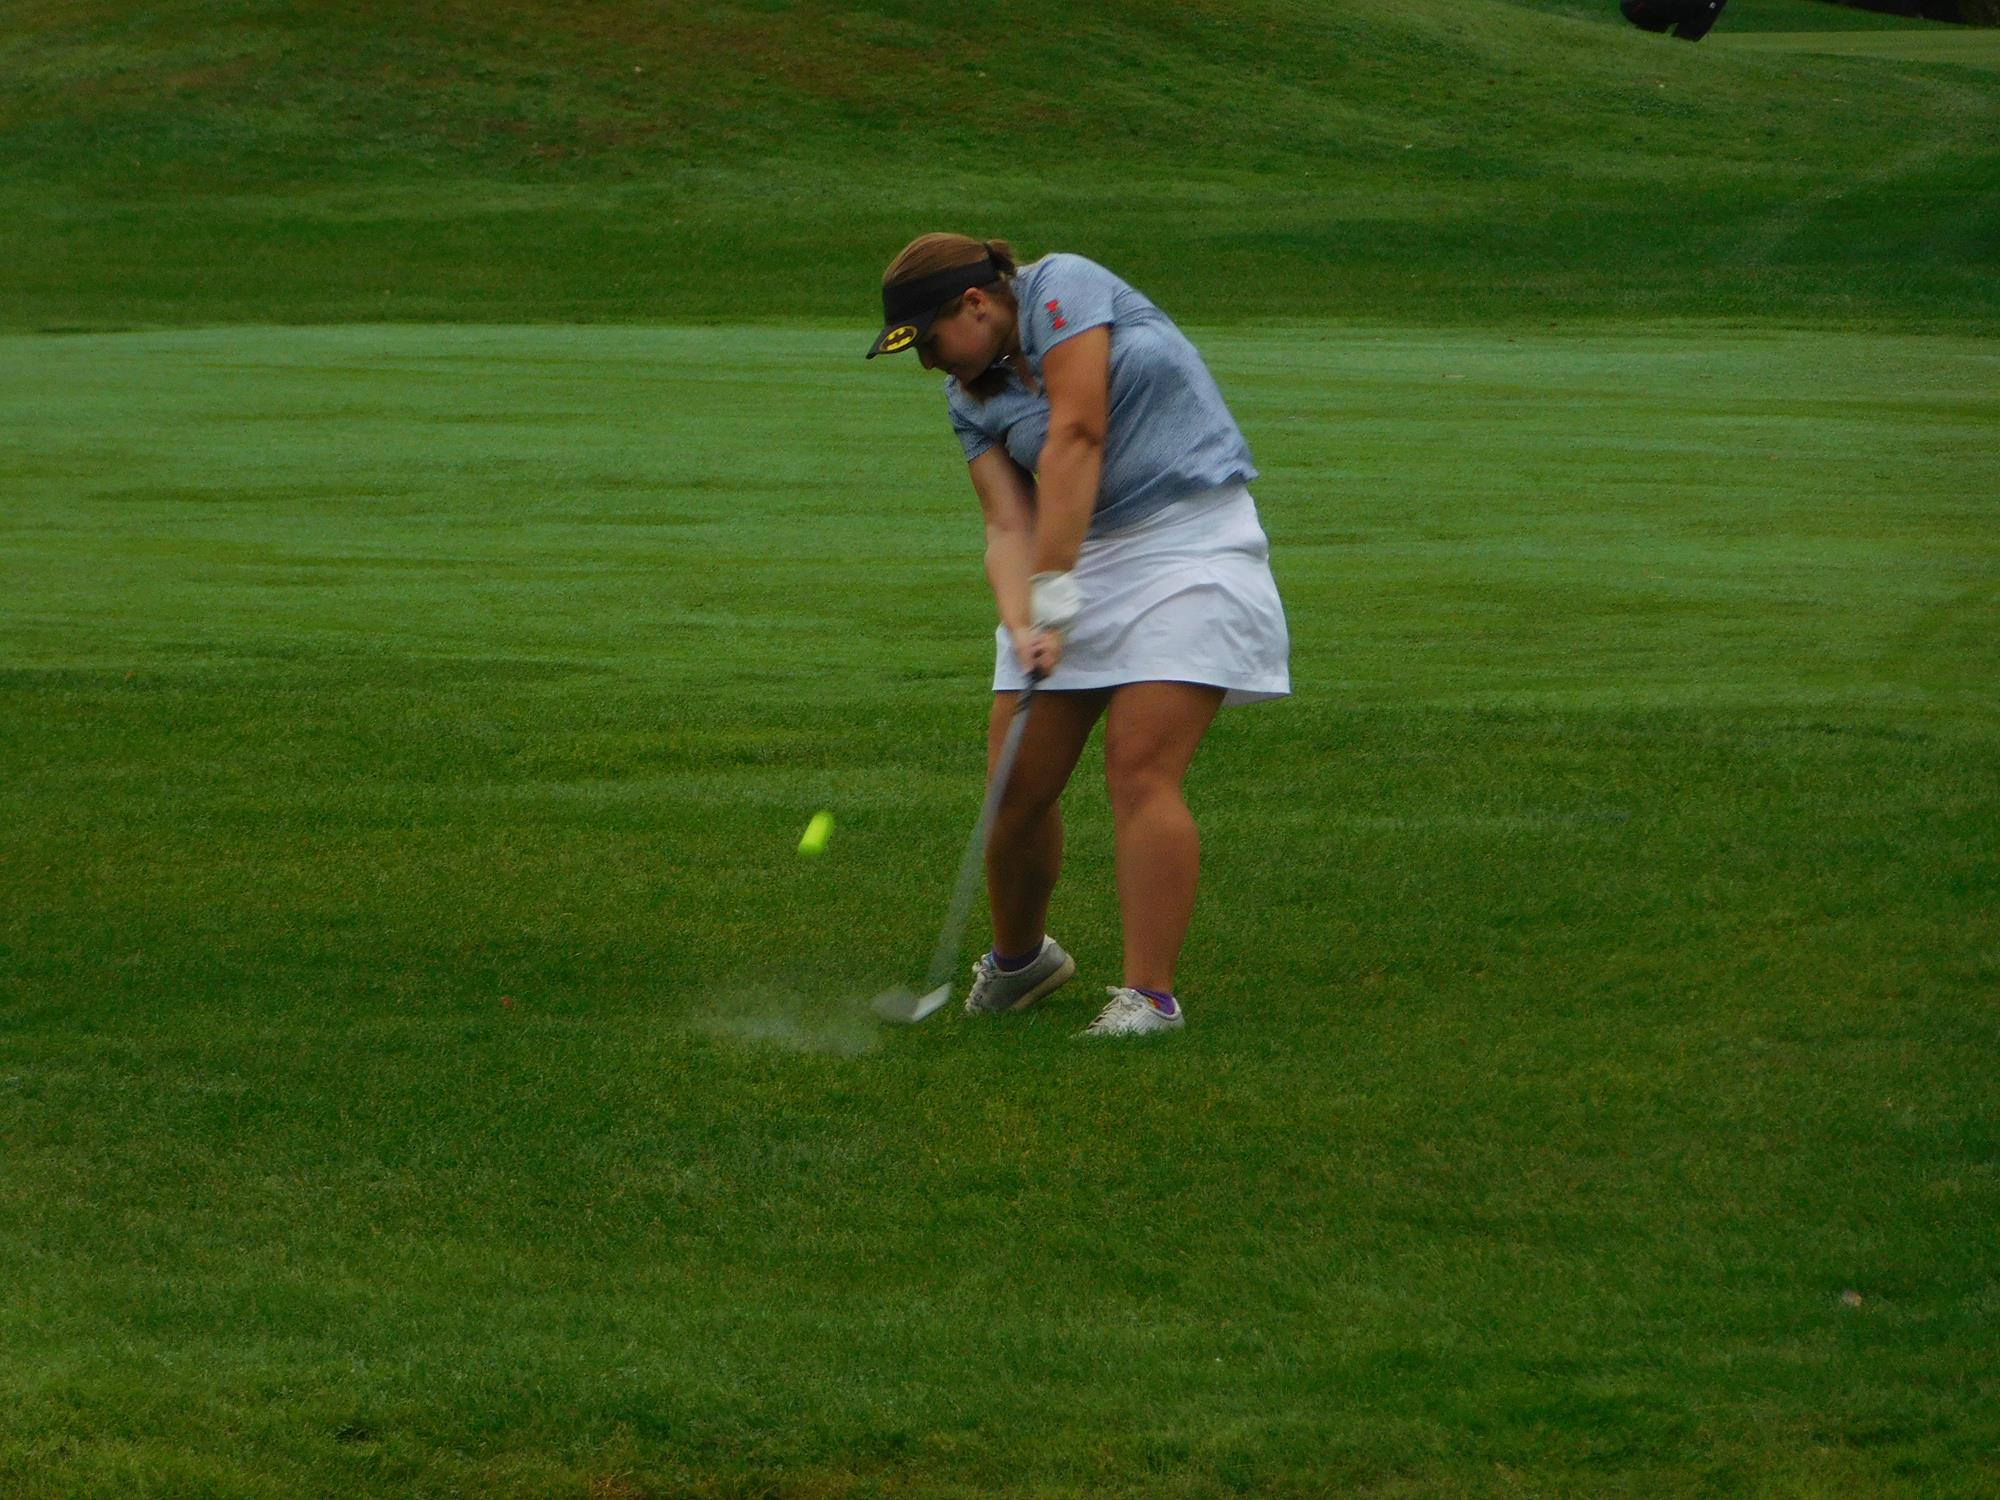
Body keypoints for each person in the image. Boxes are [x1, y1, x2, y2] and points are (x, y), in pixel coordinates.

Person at [866, 235, 1290, 1037]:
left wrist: (1054, 586)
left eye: (928, 341)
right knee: (1016, 789)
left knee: (1138, 769)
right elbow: (1005, 523)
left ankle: (1149, 997)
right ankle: (1022, 961)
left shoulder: (1065, 285)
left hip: (1187, 542)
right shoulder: (969, 398)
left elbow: (1078, 434)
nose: (928, 364)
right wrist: (1025, 616)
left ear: (977, 304)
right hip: (1071, 557)